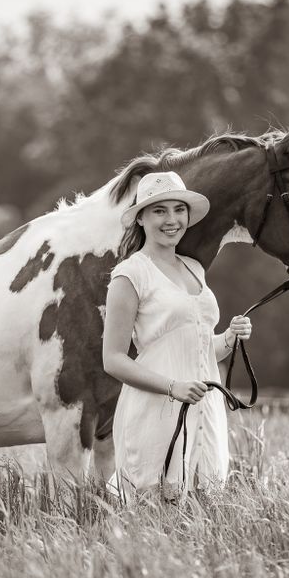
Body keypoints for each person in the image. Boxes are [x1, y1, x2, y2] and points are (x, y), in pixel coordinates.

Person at [102, 171, 252, 501]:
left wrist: (229, 338)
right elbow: (112, 360)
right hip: (156, 408)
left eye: (178, 209)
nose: (172, 220)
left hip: (203, 406)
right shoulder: (130, 274)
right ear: (141, 218)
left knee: (203, 508)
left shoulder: (193, 268)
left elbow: (196, 348)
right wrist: (174, 388)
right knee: (152, 511)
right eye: (159, 211)